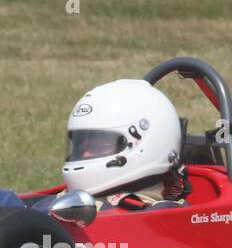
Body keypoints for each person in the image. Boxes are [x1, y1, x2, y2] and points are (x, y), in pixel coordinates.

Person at [59, 79, 190, 210]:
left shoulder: (164, 216)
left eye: (99, 147)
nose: (86, 154)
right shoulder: (54, 202)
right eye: (81, 147)